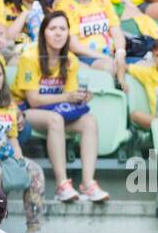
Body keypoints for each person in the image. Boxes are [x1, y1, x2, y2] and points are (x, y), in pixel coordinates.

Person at [16, 11, 111, 204]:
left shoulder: (70, 60)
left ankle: (87, 183)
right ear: (43, 33)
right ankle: (62, 185)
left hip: (54, 110)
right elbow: (33, 100)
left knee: (89, 121)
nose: (58, 33)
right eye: (53, 29)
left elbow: (66, 99)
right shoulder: (29, 57)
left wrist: (79, 98)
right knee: (55, 119)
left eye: (63, 29)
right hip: (25, 112)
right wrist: (68, 96)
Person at [57, 0, 126, 76]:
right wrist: (104, 57)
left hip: (112, 55)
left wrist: (120, 53)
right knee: (108, 68)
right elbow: (74, 45)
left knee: (146, 66)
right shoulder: (64, 5)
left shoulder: (102, 0)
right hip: (85, 58)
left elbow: (116, 31)